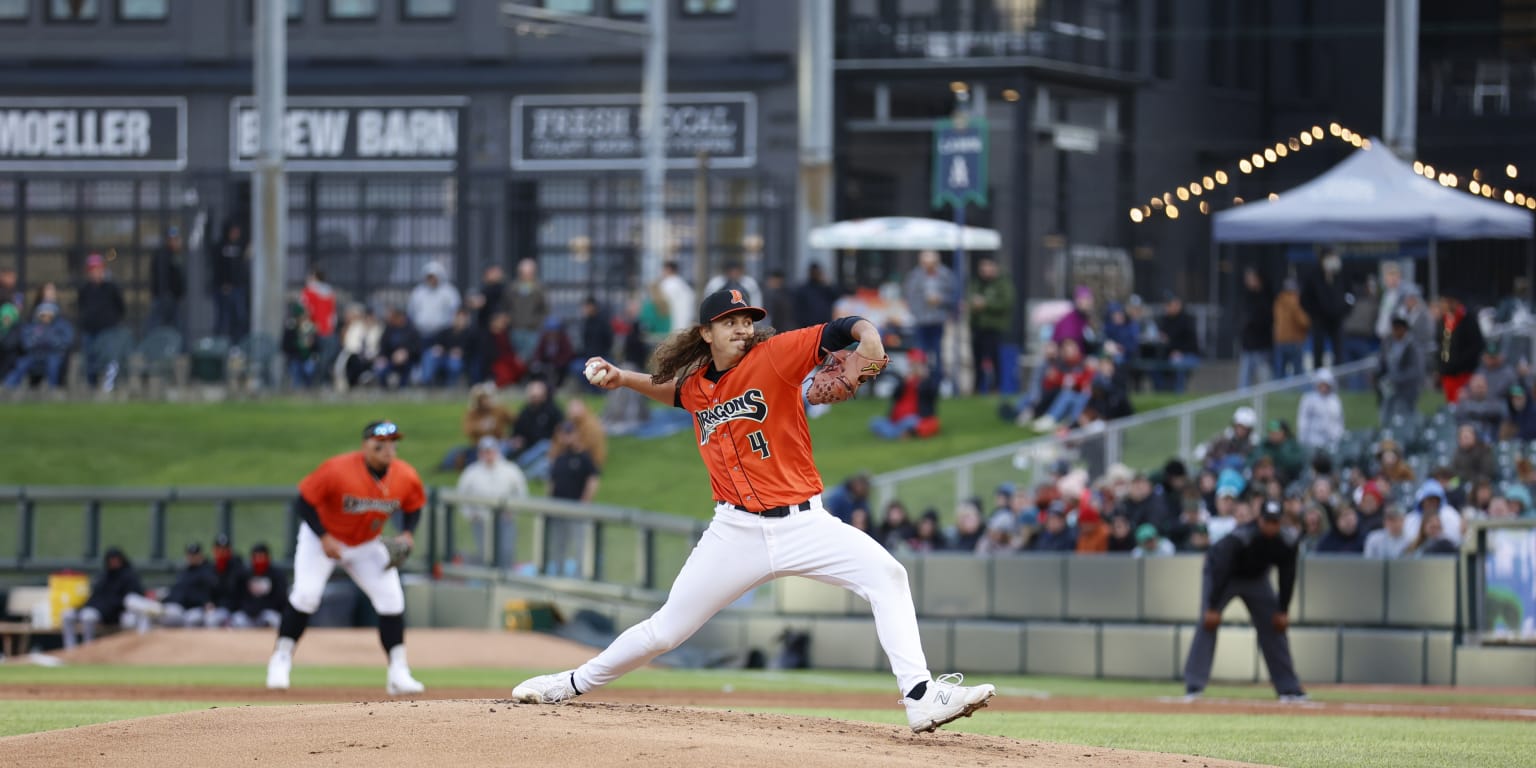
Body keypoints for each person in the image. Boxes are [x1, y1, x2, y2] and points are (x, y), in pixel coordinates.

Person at [511, 289, 996, 733]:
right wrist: (622, 379)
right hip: (734, 532)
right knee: (665, 631)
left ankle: (920, 697)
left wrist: (869, 339)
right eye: (730, 322)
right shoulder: (699, 385)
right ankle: (570, 684)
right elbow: (676, 393)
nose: (743, 328)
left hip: (806, 524)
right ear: (706, 333)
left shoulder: (776, 355)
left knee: (888, 576)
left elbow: (844, 326)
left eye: (747, 320)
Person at [265, 420, 426, 696]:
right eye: (380, 443)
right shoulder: (337, 469)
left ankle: (398, 671)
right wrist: (324, 536)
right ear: (365, 445)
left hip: (366, 544)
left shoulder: (405, 475)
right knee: (306, 596)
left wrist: (408, 533)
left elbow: (414, 505)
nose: (388, 448)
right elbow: (304, 501)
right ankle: (280, 658)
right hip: (322, 539)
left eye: (392, 443)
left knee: (391, 600)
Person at [1182, 501, 1307, 702]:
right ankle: (1194, 685)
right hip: (1223, 576)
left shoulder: (1286, 541)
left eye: (1275, 522)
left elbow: (1287, 575)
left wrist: (1283, 609)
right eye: (1268, 521)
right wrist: (1213, 606)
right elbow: (1222, 568)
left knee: (1274, 626)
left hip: (1256, 579)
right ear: (1260, 520)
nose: (1271, 526)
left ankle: (1288, 687)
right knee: (1207, 622)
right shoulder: (1241, 537)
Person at [455, 436, 529, 568]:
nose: (488, 455)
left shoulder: (510, 470)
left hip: (505, 520)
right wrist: (470, 514)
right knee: (485, 551)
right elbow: (461, 495)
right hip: (481, 520)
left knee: (506, 550)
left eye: (490, 451)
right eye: (485, 452)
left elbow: (521, 492)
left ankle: (505, 577)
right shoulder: (471, 472)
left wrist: (513, 511)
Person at [60, 547, 150, 649]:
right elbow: (94, 596)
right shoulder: (103, 576)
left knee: (88, 616)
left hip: (111, 613)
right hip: (93, 607)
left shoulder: (129, 576)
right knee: (67, 614)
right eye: (111, 560)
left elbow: (130, 599)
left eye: (116, 559)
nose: (113, 562)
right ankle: (69, 647)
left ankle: (88, 646)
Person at [545, 421, 602, 577]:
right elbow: (551, 481)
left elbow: (593, 479)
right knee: (559, 544)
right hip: (558, 508)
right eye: (564, 434)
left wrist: (585, 500)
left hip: (577, 509)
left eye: (569, 433)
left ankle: (581, 575)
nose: (566, 437)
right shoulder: (559, 457)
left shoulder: (583, 456)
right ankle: (558, 573)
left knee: (580, 545)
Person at [902, 250, 956, 384]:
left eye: (931, 263)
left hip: (938, 319)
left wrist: (941, 300)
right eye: (925, 263)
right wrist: (916, 313)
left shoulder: (946, 275)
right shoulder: (915, 276)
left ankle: (937, 380)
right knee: (921, 351)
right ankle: (922, 380)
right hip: (921, 320)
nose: (928, 266)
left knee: (937, 351)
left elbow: (954, 296)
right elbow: (909, 296)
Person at [868, 348, 940, 440]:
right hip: (896, 420)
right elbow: (894, 395)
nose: (914, 368)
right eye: (912, 365)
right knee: (874, 421)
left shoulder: (927, 383)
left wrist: (924, 379)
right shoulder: (905, 381)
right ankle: (898, 433)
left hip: (914, 418)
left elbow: (931, 396)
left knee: (913, 422)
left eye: (916, 365)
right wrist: (904, 382)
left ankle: (893, 434)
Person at [968, 257, 1013, 394]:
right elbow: (969, 298)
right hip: (977, 326)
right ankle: (977, 387)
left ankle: (996, 387)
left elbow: (1007, 302)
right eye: (983, 267)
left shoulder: (1003, 283)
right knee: (977, 358)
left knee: (994, 358)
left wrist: (986, 304)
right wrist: (973, 304)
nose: (985, 270)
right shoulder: (976, 283)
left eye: (988, 266)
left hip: (994, 327)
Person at [1437, 291, 1485, 404]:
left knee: (1462, 403)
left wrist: (1459, 362)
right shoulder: (1443, 321)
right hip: (1447, 374)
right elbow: (1439, 344)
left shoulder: (1468, 320)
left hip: (1463, 374)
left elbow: (1477, 345)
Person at [1377, 315, 1424, 426]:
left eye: (1397, 329)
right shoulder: (1388, 342)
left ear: (1404, 329)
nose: (1394, 332)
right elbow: (1382, 362)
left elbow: (1416, 371)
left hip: (1406, 389)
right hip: (1389, 387)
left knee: (1405, 417)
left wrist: (1397, 378)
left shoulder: (1412, 346)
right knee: (1386, 415)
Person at [231, 543, 287, 629]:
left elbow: (280, 599)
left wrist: (262, 607)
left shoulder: (276, 575)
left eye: (262, 557)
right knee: (237, 620)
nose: (259, 560)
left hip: (268, 613)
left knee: (275, 620)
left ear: (268, 558)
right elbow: (238, 597)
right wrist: (249, 609)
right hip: (248, 615)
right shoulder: (245, 575)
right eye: (256, 557)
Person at [1238, 267, 1274, 388]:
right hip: (1248, 344)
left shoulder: (1266, 296)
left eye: (1251, 278)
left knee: (1264, 377)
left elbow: (1266, 318)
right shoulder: (1246, 296)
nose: (1248, 281)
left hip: (1262, 344)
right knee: (1245, 378)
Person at [147, 226, 186, 331]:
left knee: (175, 327)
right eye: (173, 239)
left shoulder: (176, 255)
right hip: (165, 298)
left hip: (173, 298)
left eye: (176, 239)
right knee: (159, 326)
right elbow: (161, 276)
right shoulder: (163, 255)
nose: (175, 242)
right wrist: (165, 294)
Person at [1296, 369, 1344, 453]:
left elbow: (1339, 420)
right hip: (1313, 441)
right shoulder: (1309, 399)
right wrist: (1302, 438)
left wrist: (1339, 435)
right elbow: (1303, 420)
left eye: (1326, 384)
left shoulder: (1335, 400)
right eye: (1321, 384)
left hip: (1332, 442)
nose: (1324, 387)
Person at [1272, 277, 1311, 379]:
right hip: (1294, 340)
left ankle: (1279, 393)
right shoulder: (1294, 300)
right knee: (1298, 372)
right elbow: (1303, 322)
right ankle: (1299, 393)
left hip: (1280, 340)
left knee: (1280, 372)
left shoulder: (1279, 301)